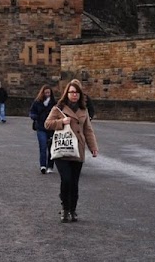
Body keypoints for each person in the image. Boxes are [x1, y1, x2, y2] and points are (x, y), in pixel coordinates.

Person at [44, 79, 99, 223]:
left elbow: (88, 130)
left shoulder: (83, 110)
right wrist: (61, 122)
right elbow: (47, 124)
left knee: (74, 183)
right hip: (62, 149)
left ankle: (72, 210)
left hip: (77, 150)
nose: (74, 95)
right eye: (72, 92)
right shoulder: (58, 108)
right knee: (66, 179)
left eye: (77, 93)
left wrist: (93, 147)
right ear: (67, 93)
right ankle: (64, 209)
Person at [28, 85, 57, 173]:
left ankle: (50, 166)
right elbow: (32, 112)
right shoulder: (37, 102)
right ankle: (43, 166)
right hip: (40, 127)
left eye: (49, 93)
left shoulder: (54, 103)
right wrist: (35, 117)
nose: (47, 94)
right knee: (43, 146)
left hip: (51, 128)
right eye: (46, 93)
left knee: (51, 148)